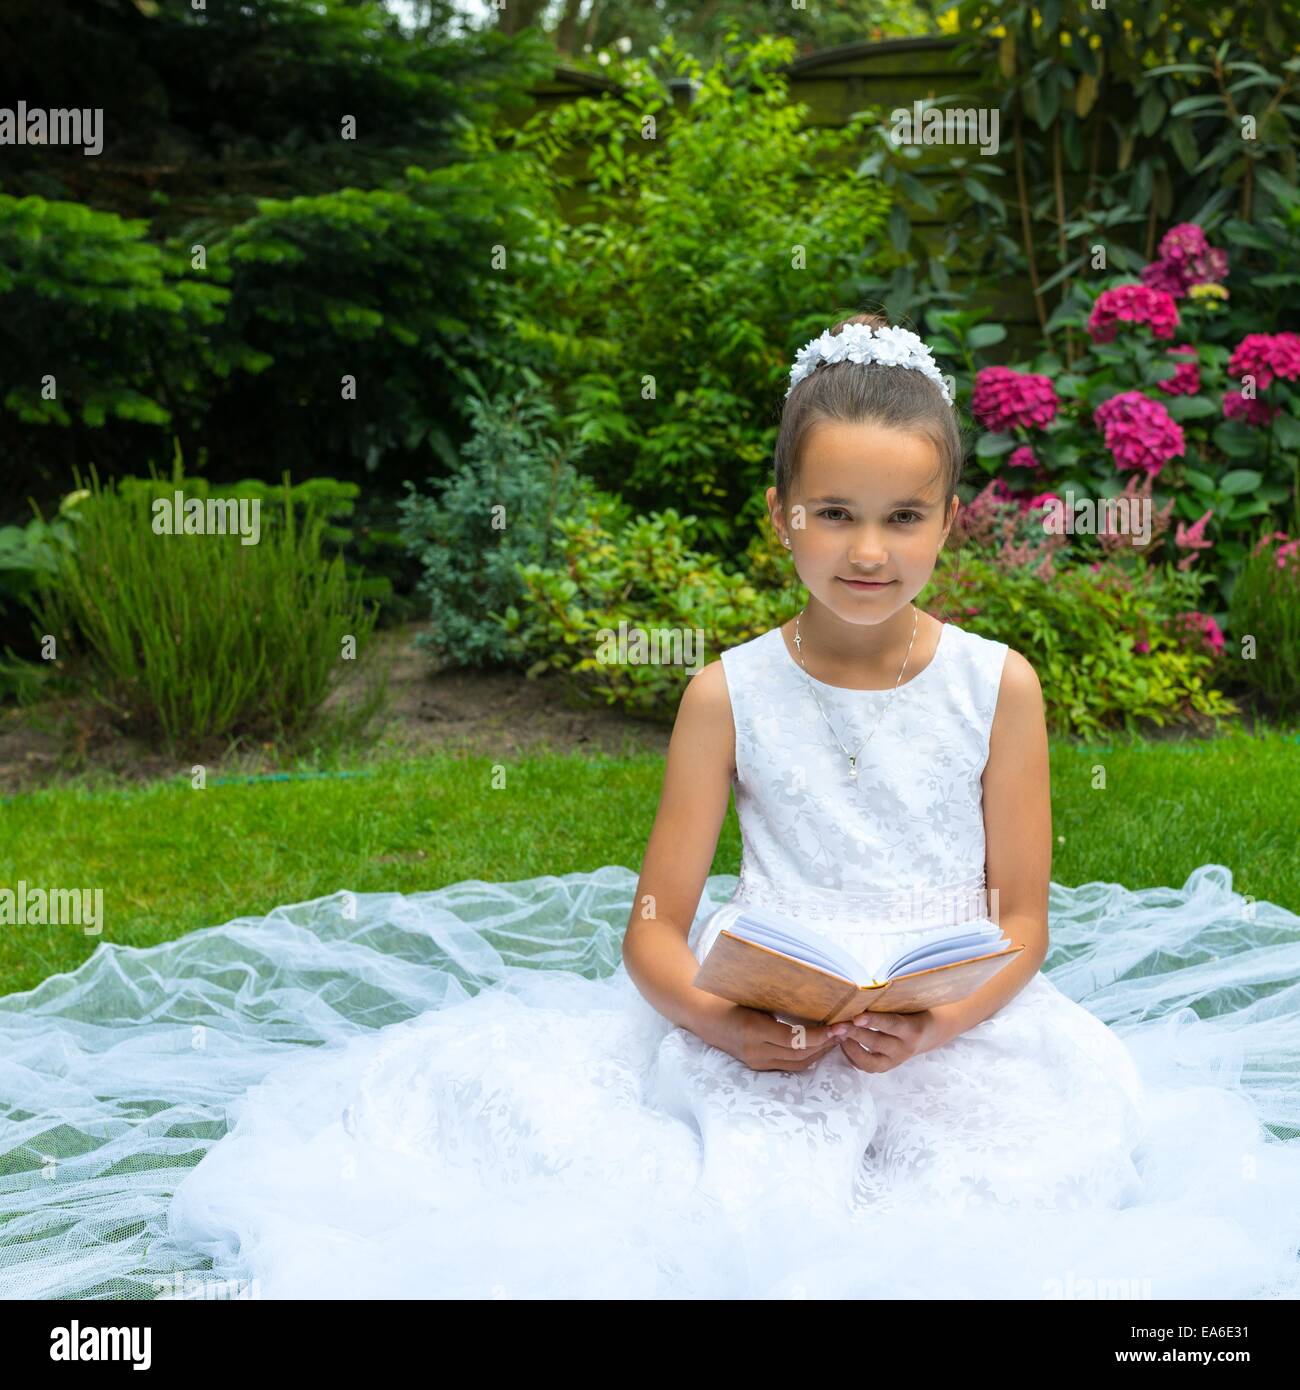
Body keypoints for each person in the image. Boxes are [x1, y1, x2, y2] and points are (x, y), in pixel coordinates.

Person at [4, 315, 1298, 1301]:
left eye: (903, 517)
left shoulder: (996, 686)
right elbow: (655, 924)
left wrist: (944, 1016)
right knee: (720, 1208)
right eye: (834, 513)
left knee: (1008, 1201)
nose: (868, 549)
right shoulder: (727, 693)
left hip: (952, 1026)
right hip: (769, 1019)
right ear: (781, 515)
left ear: (949, 519)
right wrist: (719, 1027)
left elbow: (1023, 917)